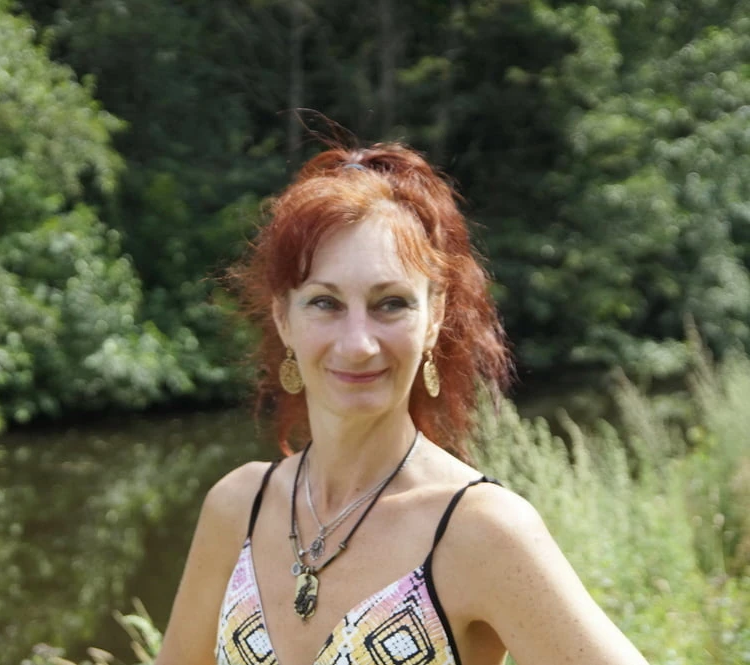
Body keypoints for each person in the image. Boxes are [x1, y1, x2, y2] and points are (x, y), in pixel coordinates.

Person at [156, 143, 649, 665]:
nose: (358, 343)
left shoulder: (479, 529)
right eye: (325, 303)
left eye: (390, 304)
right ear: (284, 318)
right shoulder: (237, 509)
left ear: (434, 315)